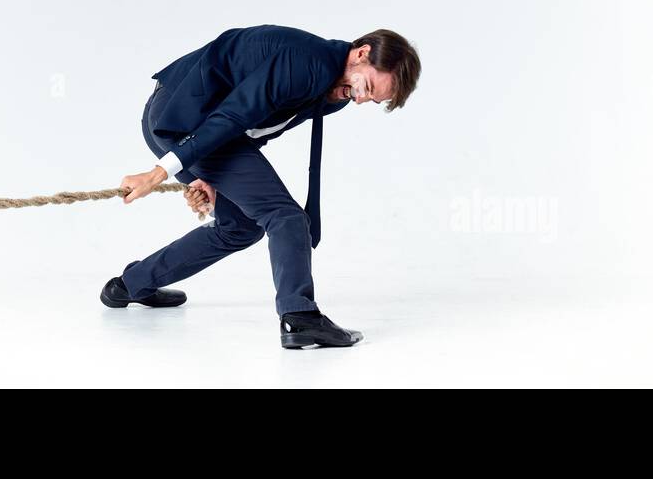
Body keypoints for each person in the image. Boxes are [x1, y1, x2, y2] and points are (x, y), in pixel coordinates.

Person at [99, 24, 420, 348]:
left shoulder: (336, 90)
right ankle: (300, 318)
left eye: (372, 98)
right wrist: (159, 172)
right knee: (286, 216)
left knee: (241, 225)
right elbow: (233, 115)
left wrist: (213, 173)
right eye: (367, 86)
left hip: (195, 126)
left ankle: (130, 285)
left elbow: (261, 125)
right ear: (362, 53)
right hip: (180, 118)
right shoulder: (307, 62)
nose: (361, 100)